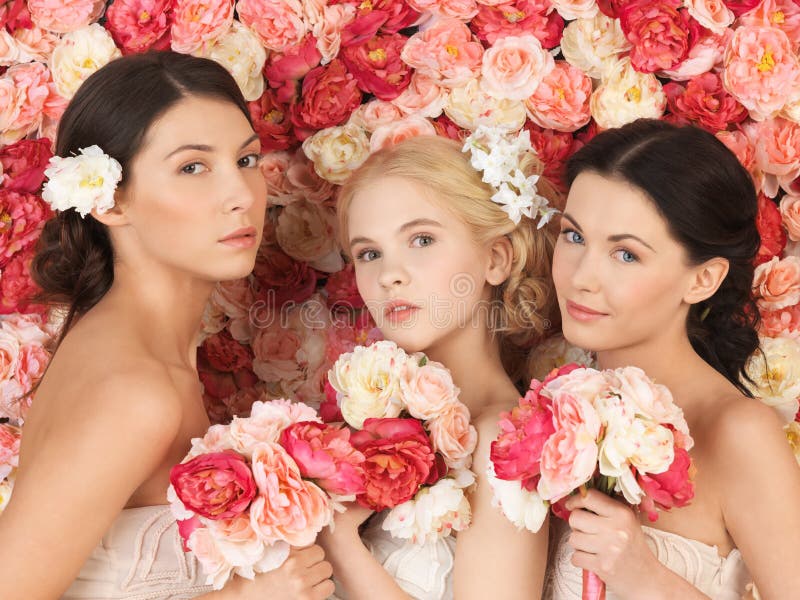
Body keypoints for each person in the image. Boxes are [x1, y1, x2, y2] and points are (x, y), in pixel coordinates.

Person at [0, 51, 334, 600]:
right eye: (192, 167)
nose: (240, 198)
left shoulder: (143, 351)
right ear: (109, 200)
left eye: (246, 161)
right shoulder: (134, 393)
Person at [544, 119, 800, 599]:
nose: (581, 278)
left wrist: (646, 577)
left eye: (625, 255)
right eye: (574, 237)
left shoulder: (738, 434)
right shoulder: (552, 410)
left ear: (702, 280)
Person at [320, 132, 560, 600]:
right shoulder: (365, 418)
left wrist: (338, 544)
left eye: (422, 239)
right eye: (369, 253)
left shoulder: (505, 441)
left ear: (495, 258)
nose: (389, 274)